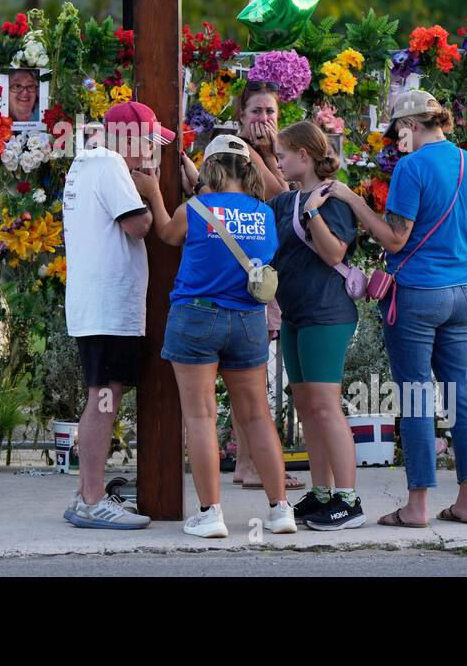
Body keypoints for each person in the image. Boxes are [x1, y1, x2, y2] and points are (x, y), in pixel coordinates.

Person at [325, 91, 467, 526]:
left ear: (413, 125)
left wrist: (355, 202)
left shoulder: (411, 167)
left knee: (416, 394)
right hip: (462, 292)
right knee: (460, 393)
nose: (397, 139)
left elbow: (396, 238)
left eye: (398, 130)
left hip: (417, 293)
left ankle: (417, 506)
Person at [133, 134, 297, 538]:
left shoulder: (197, 208)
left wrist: (154, 193)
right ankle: (280, 510)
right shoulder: (263, 214)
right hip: (248, 320)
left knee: (202, 415)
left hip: (198, 316)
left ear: (213, 170)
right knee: (258, 416)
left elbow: (169, 234)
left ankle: (211, 514)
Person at [59, 100, 173, 530]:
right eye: (149, 143)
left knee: (104, 397)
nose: (152, 154)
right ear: (128, 139)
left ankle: (86, 493)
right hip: (108, 308)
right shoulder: (108, 164)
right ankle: (91, 499)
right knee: (104, 400)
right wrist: (151, 189)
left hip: (98, 305)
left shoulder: (86, 161)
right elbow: (140, 225)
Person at [269, 121, 366, 530]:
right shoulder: (282, 201)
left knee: (326, 406)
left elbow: (333, 252)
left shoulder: (332, 199)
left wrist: (312, 213)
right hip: (296, 313)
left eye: (283, 155)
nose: (278, 161)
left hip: (327, 313)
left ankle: (349, 500)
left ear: (304, 156)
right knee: (307, 406)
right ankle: (323, 492)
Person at [217, 80, 301, 491]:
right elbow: (281, 194)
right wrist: (268, 152)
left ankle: (246, 462)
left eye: (270, 112)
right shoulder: (239, 151)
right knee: (249, 378)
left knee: (249, 377)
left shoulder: (270, 152)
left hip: (263, 272)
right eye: (256, 112)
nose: (264, 120)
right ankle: (251, 464)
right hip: (244, 275)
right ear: (241, 116)